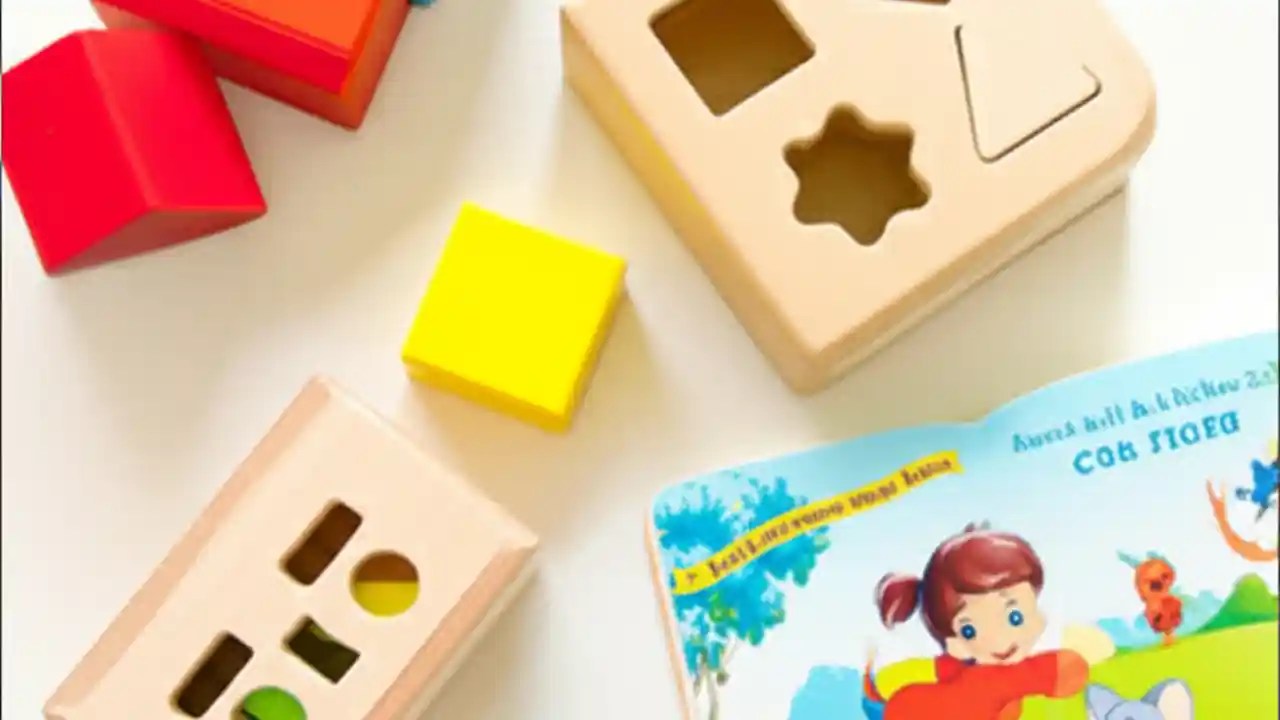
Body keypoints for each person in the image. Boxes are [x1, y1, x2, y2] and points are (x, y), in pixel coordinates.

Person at [861, 522, 1088, 720]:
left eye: (1014, 617)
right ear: (954, 642)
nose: (1000, 642)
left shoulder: (1030, 673)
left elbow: (1070, 671)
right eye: (969, 630)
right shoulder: (963, 678)